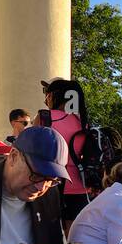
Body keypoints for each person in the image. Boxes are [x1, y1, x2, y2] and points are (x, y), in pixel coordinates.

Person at [36, 77, 92, 229]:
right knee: (75, 241)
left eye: (46, 93)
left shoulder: (45, 117)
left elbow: (33, 149)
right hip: (80, 186)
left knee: (49, 238)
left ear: (53, 95)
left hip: (50, 184)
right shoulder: (82, 120)